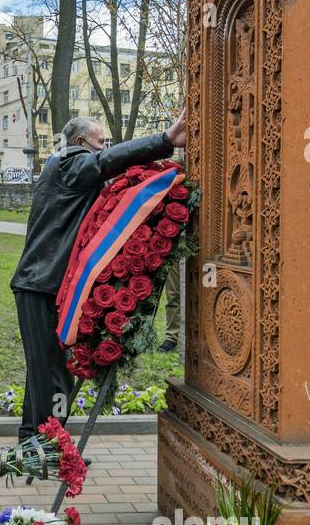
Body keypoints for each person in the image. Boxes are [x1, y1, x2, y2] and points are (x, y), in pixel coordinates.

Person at [11, 112, 187, 442]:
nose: (104, 147)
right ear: (81, 144)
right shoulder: (69, 162)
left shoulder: (73, 171)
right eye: (100, 142)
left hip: (49, 284)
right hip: (38, 285)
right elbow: (106, 161)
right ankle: (38, 444)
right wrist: (163, 141)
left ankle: (41, 442)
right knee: (49, 372)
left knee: (52, 372)